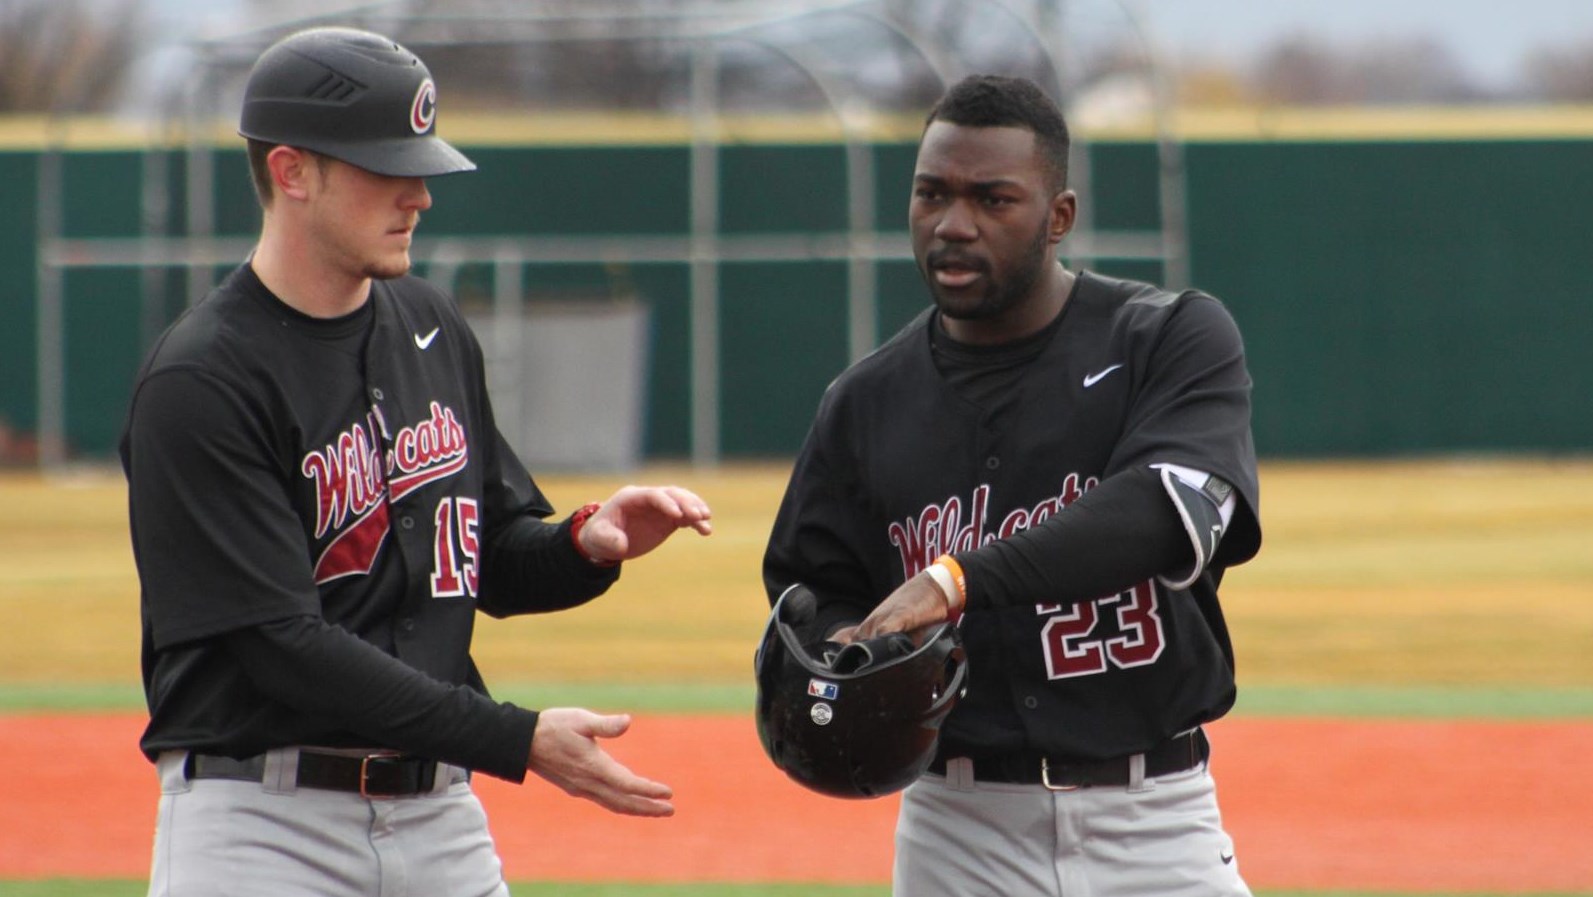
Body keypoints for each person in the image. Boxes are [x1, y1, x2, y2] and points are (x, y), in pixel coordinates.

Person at [120, 26, 712, 896]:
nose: (419, 196)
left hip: (439, 817)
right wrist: (515, 736)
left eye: (421, 165)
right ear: (292, 172)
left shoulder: (430, 325)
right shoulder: (202, 378)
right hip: (261, 827)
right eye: (385, 167)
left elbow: (481, 558)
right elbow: (282, 645)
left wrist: (586, 542)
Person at [762, 74, 1262, 896]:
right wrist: (845, 658)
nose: (953, 226)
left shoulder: (1167, 338)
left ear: (1057, 216)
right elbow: (815, 591)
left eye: (992, 200)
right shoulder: (863, 400)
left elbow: (1158, 515)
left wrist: (953, 579)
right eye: (931, 195)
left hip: (1155, 820)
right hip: (957, 828)